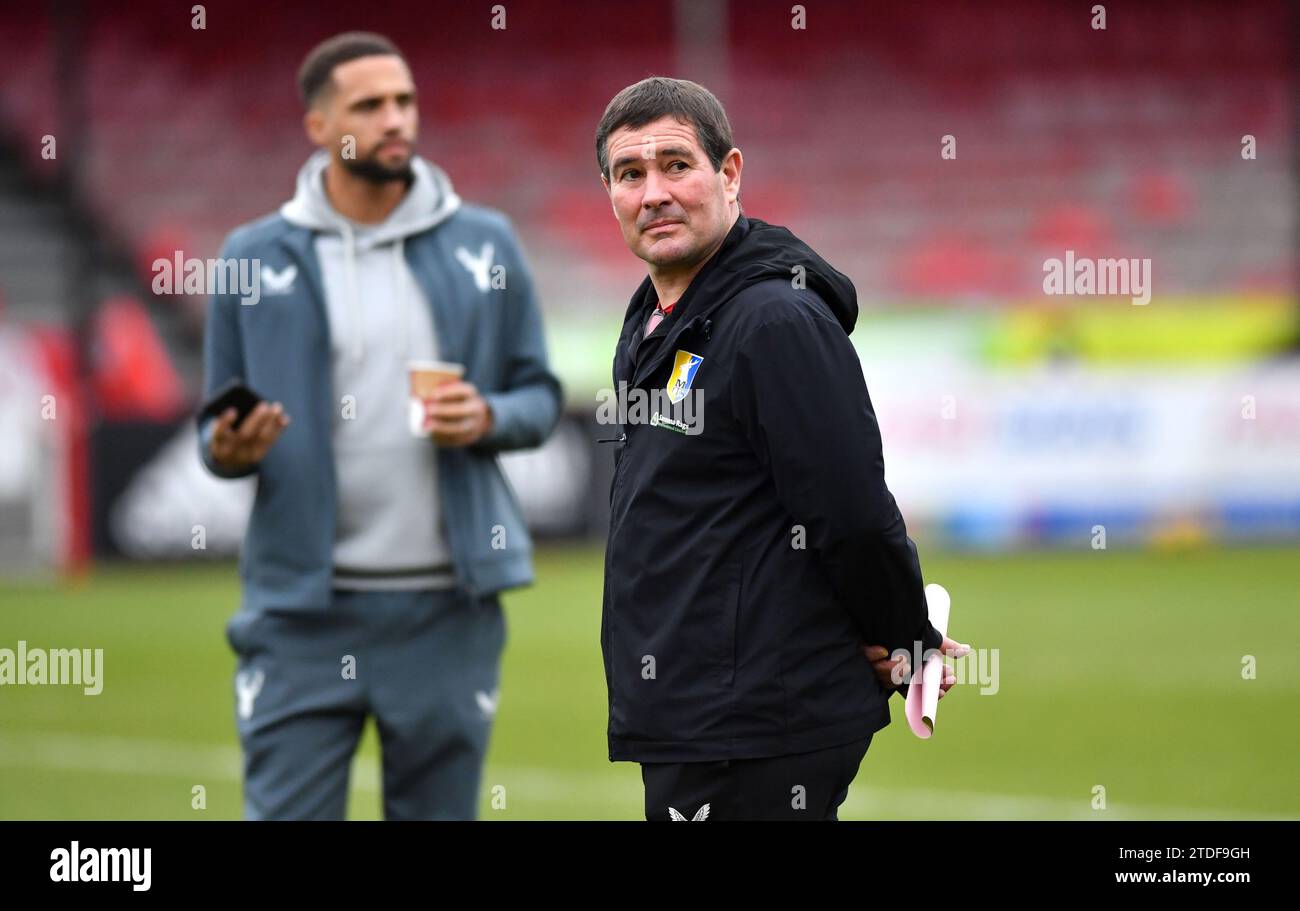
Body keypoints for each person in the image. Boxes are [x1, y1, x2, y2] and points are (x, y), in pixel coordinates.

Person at [199, 32, 561, 820]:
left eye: (405, 101)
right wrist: (228, 449)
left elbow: (539, 395)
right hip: (299, 615)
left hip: (446, 614)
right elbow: (212, 430)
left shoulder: (484, 241)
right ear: (319, 127)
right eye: (370, 105)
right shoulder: (249, 256)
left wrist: (489, 414)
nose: (396, 119)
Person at [594, 76, 969, 821]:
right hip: (701, 710)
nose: (653, 192)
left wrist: (901, 635)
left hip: (753, 719)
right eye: (630, 174)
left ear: (729, 173)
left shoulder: (774, 321)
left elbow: (850, 509)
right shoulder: (658, 316)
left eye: (676, 165)